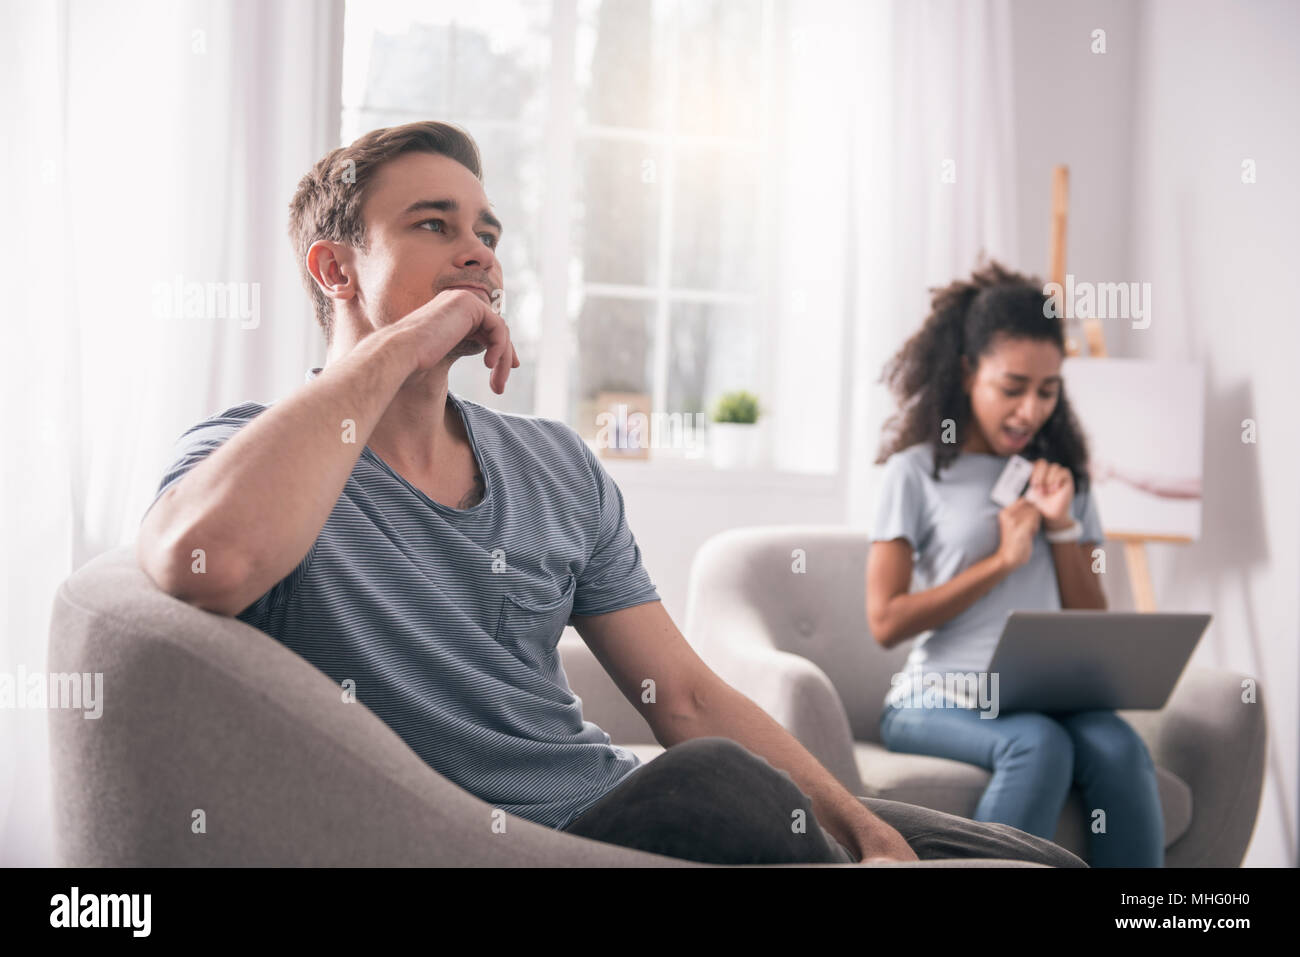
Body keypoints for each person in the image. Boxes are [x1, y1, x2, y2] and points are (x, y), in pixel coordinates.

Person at [137, 121, 1082, 867]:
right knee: (720, 784)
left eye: (487, 233)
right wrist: (405, 345)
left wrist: (863, 828)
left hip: (612, 800)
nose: (478, 254)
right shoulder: (258, 452)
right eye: (434, 224)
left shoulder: (556, 464)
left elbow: (681, 692)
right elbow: (202, 563)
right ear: (335, 268)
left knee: (1019, 855)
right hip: (483, 839)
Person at [866, 261, 1164, 867]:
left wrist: (1062, 529)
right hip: (934, 698)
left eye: (1048, 391)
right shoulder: (916, 473)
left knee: (1120, 748)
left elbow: (1090, 615)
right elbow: (886, 621)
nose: (1031, 410)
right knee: (1038, 745)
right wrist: (1002, 561)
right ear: (969, 371)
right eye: (1013, 387)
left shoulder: (1064, 482)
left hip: (1043, 696)